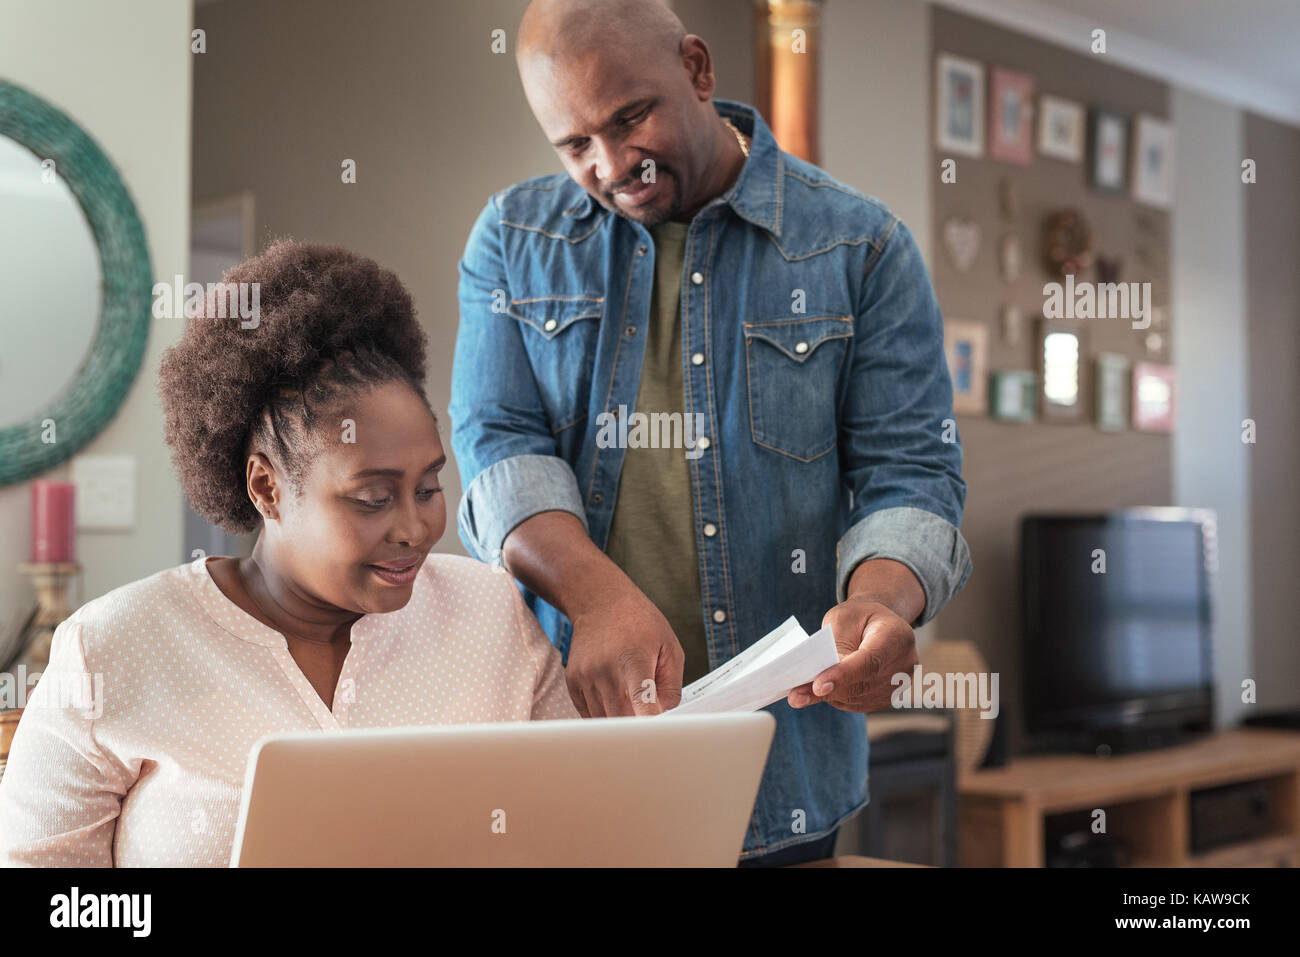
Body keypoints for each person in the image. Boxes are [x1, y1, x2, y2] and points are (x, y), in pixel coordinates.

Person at [449, 0, 972, 865]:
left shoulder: (862, 247)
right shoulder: (513, 240)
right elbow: (499, 449)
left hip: (781, 762)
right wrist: (599, 599)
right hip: (563, 746)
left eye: (629, 119)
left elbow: (911, 475)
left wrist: (880, 602)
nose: (612, 166)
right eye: (574, 145)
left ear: (697, 68)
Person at [0, 240, 578, 867]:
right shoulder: (113, 645)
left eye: (429, 488)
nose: (414, 527)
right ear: (267, 488)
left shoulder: (490, 613)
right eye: (373, 497)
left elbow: (580, 831)